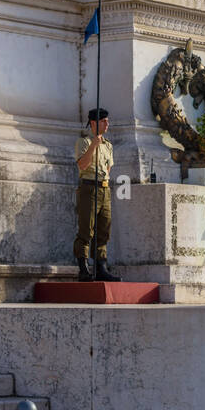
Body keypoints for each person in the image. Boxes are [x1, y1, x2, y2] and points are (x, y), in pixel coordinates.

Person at [73, 107, 119, 281]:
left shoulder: (108, 146)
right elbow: (83, 165)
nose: (107, 124)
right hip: (89, 188)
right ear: (93, 123)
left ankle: (100, 267)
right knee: (86, 228)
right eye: (103, 121)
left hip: (104, 189)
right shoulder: (84, 142)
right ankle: (83, 268)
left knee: (103, 230)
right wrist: (93, 145)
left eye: (107, 120)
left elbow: (108, 169)